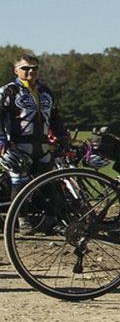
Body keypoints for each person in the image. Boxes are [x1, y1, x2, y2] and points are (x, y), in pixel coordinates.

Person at [0, 55, 69, 232]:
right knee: (19, 184)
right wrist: (2, 142)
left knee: (48, 184)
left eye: (35, 68)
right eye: (25, 68)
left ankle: (51, 220)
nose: (31, 71)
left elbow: (55, 118)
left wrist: (62, 138)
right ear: (16, 70)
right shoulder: (8, 91)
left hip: (43, 146)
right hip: (18, 146)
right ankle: (22, 220)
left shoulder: (46, 92)